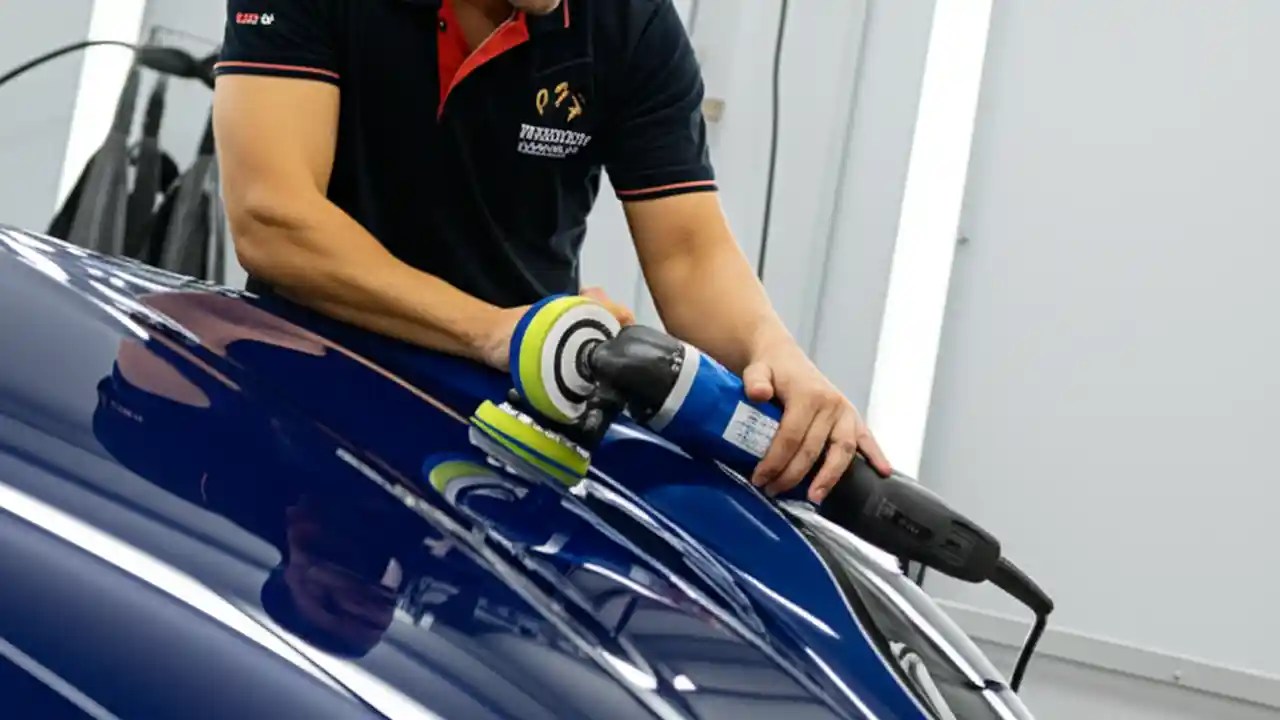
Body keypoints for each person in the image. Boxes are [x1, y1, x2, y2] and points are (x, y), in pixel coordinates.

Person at [212, 0, 891, 503]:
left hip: (508, 423)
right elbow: (275, 219)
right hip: (305, 379)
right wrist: (490, 330)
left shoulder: (632, 27)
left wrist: (773, 352)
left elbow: (690, 255)